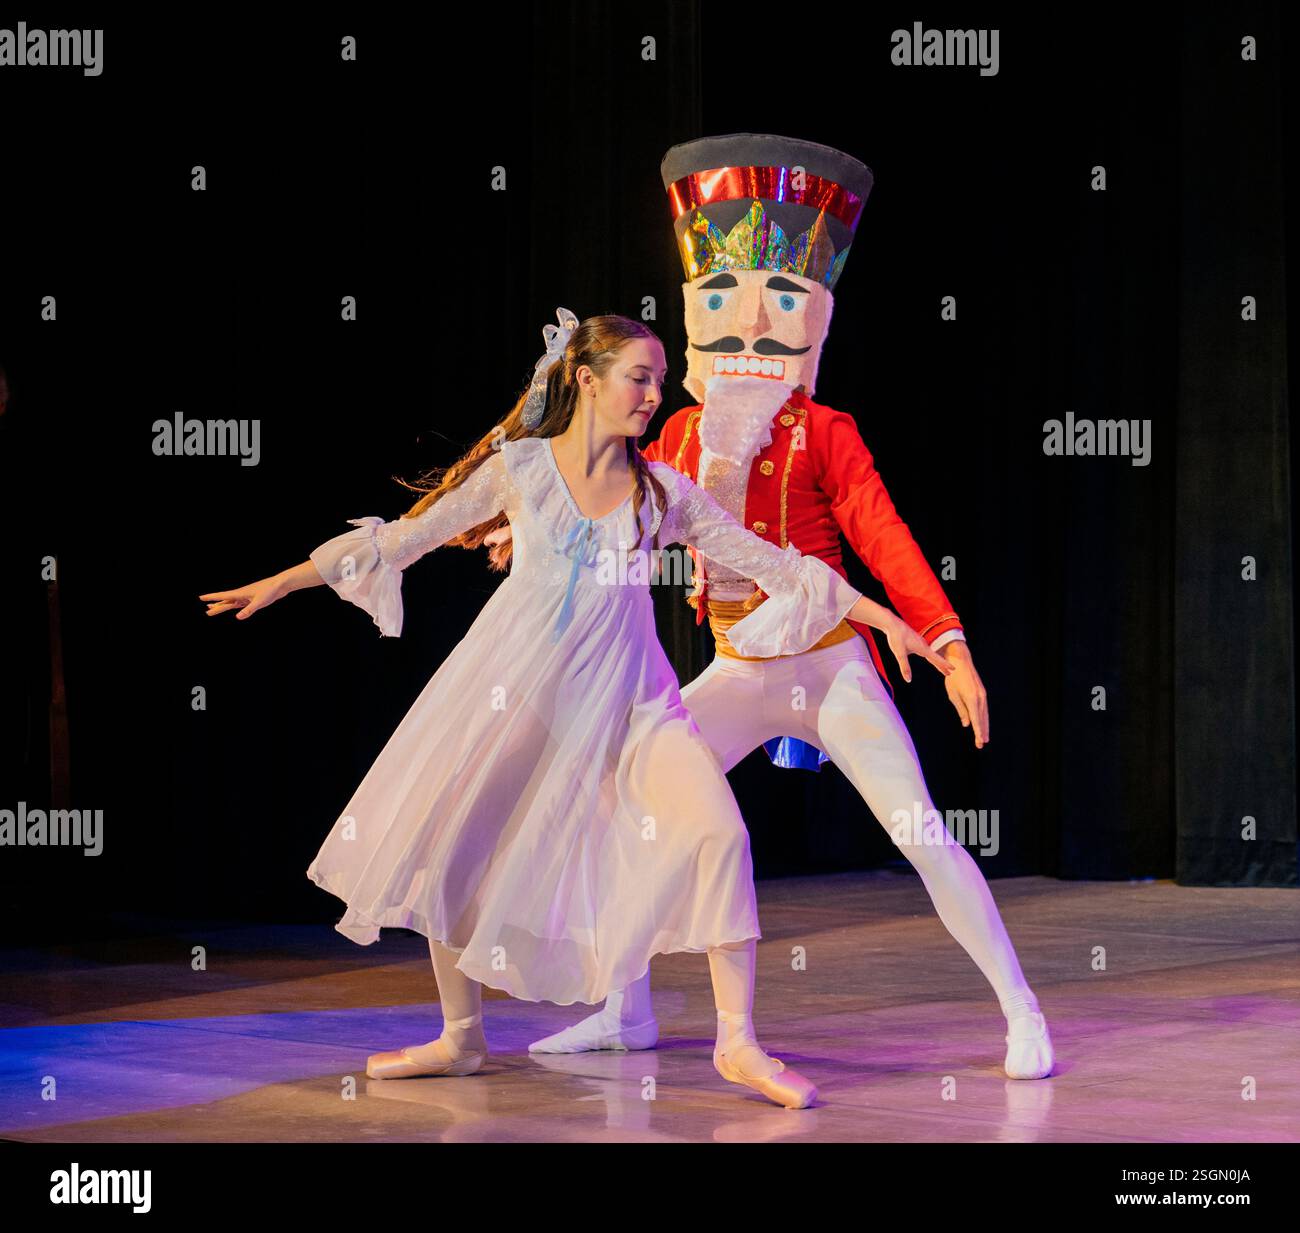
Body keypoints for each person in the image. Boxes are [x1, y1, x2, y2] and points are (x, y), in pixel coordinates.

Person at [199, 310, 952, 1110]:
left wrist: (890, 621)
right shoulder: (519, 471)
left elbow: (779, 564)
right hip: (527, 693)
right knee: (452, 849)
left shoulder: (664, 492)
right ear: (585, 379)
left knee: (721, 833)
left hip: (637, 706)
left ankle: (738, 1041)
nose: (656, 394)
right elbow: (399, 542)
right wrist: (281, 581)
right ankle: (461, 1036)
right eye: (640, 376)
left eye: (662, 379)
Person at [523, 134, 1053, 1081]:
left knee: (922, 832)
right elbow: (627, 518)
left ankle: (1021, 1009)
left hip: (827, 663)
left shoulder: (824, 432)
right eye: (723, 302)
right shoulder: (680, 431)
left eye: (777, 304)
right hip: (736, 664)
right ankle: (625, 1008)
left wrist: (949, 644)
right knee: (625, 805)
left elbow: (884, 539)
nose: (750, 324)